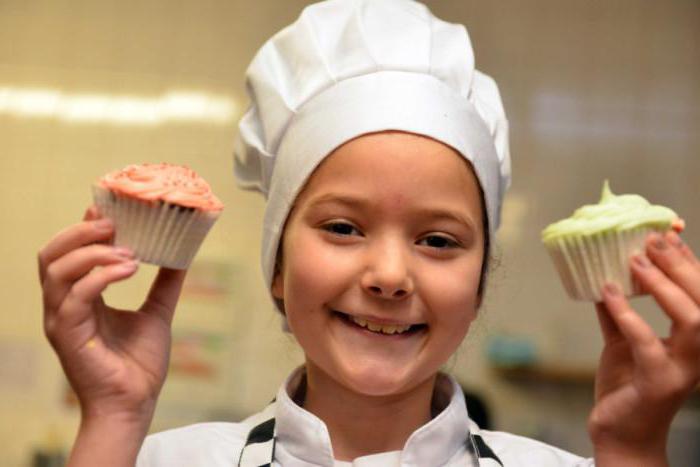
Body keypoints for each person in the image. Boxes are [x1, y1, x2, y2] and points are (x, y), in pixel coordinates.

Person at [37, 1, 700, 466]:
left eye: (439, 240)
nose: (389, 274)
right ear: (277, 263)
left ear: (479, 279)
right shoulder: (156, 459)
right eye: (344, 227)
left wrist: (637, 447)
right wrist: (114, 415)